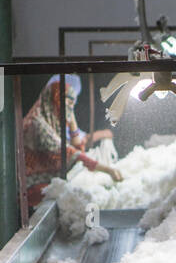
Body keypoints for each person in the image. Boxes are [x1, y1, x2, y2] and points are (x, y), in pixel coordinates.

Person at [22, 74, 123, 210]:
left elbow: (78, 146)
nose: (70, 109)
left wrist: (71, 118)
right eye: (68, 104)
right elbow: (70, 153)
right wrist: (108, 170)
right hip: (32, 194)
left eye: (72, 105)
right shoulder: (36, 124)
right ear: (56, 100)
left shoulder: (54, 122)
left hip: (50, 187)